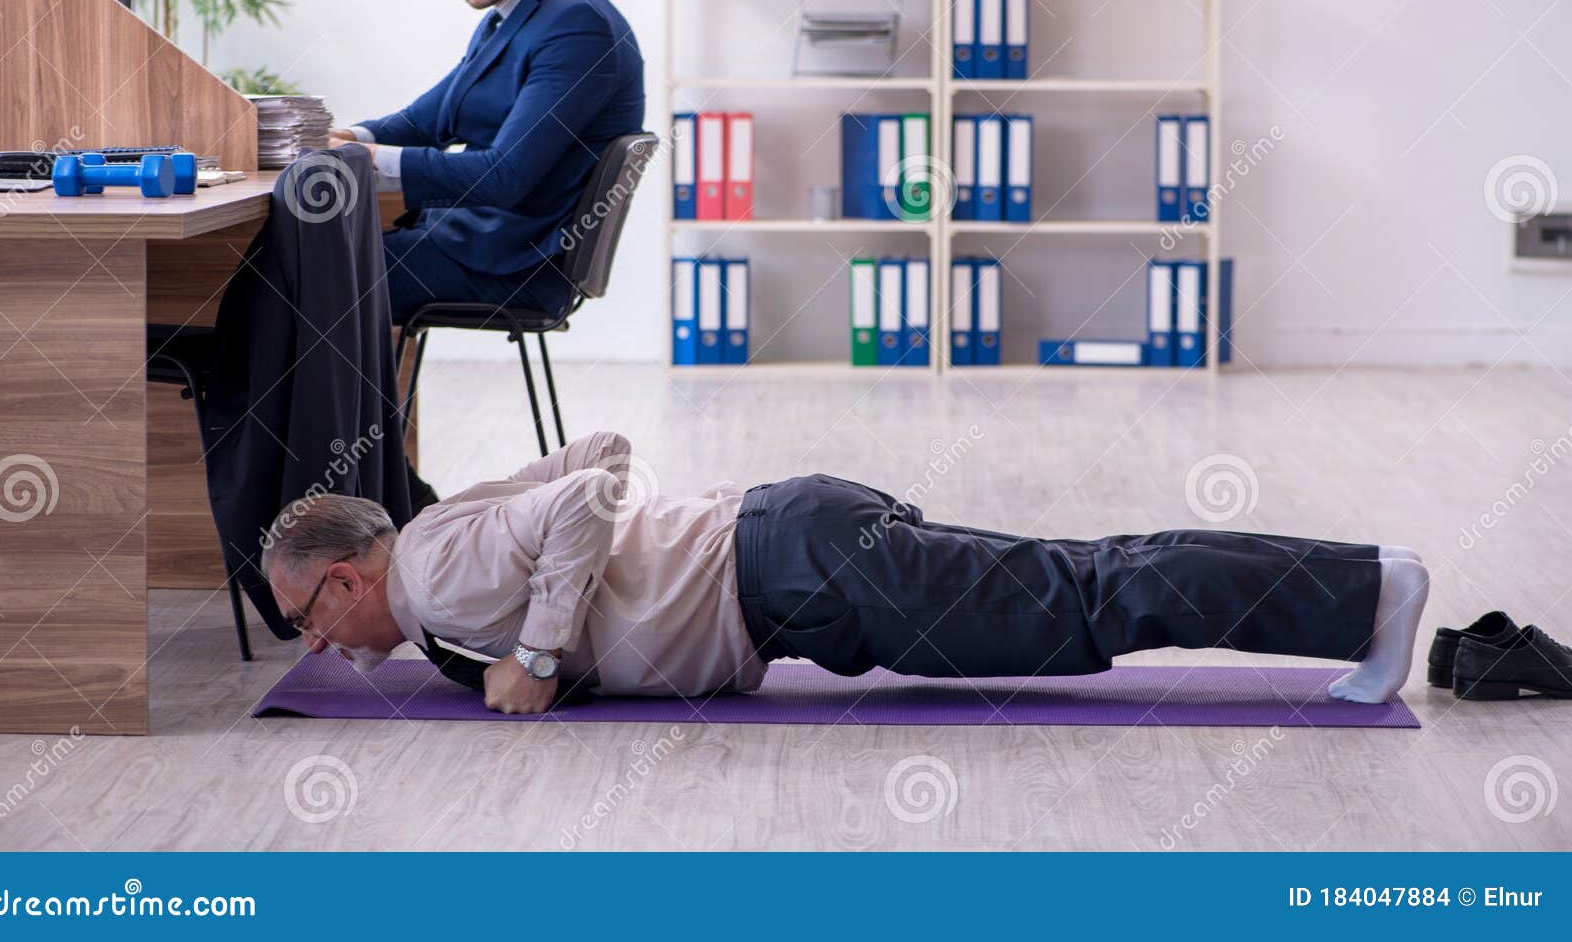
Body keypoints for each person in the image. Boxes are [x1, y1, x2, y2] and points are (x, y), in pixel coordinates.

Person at [263, 432, 1435, 714]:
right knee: (1083, 584)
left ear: (346, 578)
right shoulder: (433, 566)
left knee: (1088, 594)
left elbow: (589, 490)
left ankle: (1371, 596)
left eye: (304, 617)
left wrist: (532, 649)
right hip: (799, 560)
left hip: (802, 571)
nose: (311, 645)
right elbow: (603, 450)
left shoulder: (438, 582)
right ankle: (1364, 591)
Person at [328, 0, 644, 327]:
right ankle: (326, 401)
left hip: (516, 265)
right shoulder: (508, 18)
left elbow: (505, 175)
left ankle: (254, 400)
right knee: (300, 260)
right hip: (476, 245)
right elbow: (425, 120)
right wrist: (338, 136)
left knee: (303, 274)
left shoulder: (576, 24)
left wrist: (366, 158)